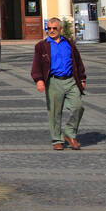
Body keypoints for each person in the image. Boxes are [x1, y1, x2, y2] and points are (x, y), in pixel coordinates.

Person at [32, 18, 87, 151]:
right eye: (49, 28)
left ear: (60, 29)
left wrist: (82, 79)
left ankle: (69, 133)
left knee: (78, 107)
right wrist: (39, 80)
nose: (51, 31)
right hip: (53, 81)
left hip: (70, 80)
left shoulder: (69, 43)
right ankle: (57, 140)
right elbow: (36, 64)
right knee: (55, 112)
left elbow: (78, 62)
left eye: (54, 28)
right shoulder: (42, 46)